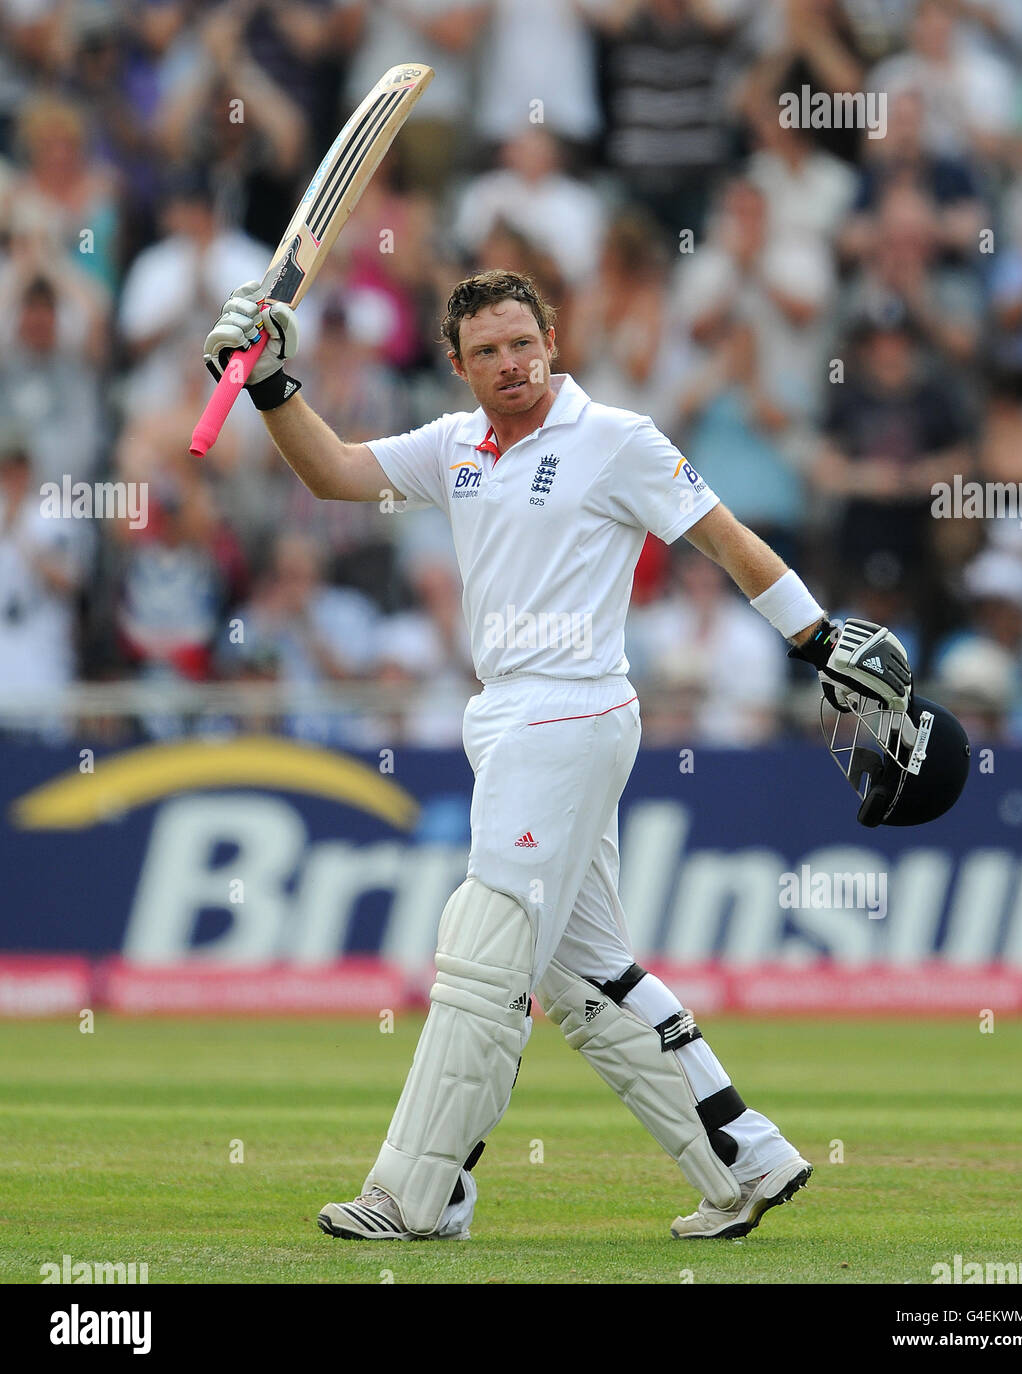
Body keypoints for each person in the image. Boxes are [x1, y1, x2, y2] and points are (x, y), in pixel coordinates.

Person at [202, 269, 914, 1241]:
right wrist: (270, 384)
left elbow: (723, 537)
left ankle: (418, 1193)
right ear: (457, 365)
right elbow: (331, 470)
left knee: (485, 945)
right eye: (487, 351)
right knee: (590, 977)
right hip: (506, 716)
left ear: (552, 338)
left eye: (522, 342)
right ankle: (742, 1159)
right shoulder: (454, 446)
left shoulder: (614, 438)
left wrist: (817, 638)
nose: (511, 364)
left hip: (571, 712)